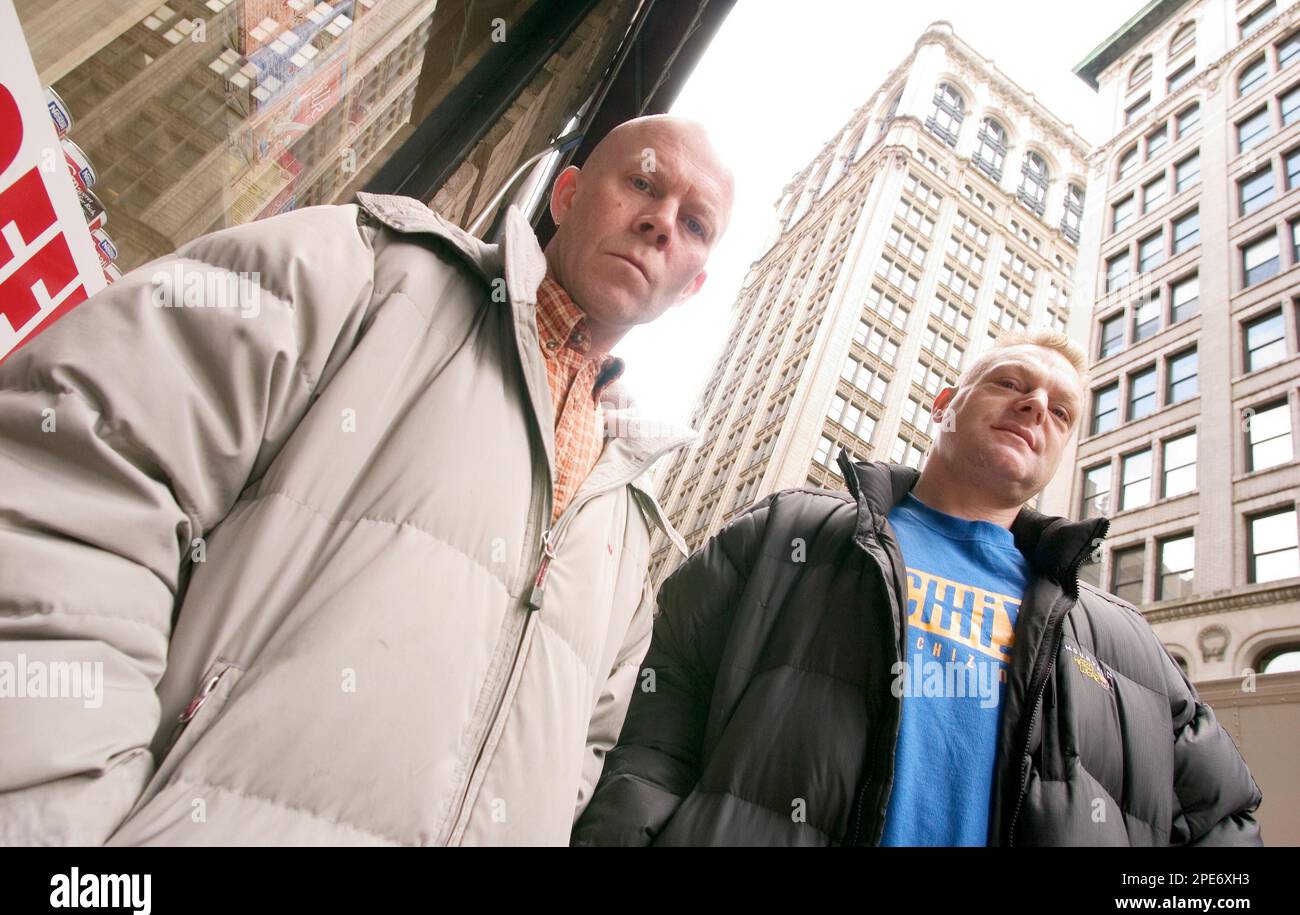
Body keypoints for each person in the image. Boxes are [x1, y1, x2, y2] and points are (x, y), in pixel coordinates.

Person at [0, 115, 734, 845]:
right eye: (643, 182)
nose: (662, 223)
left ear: (693, 285)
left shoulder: (633, 532)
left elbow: (580, 759)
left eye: (695, 223)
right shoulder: (368, 271)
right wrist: (64, 838)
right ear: (567, 195)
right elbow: (79, 463)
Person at [571, 330, 1264, 846]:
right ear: (945, 402)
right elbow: (648, 715)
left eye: (1060, 412)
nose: (1034, 407)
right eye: (1011, 383)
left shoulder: (1122, 644)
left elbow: (1223, 822)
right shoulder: (788, 534)